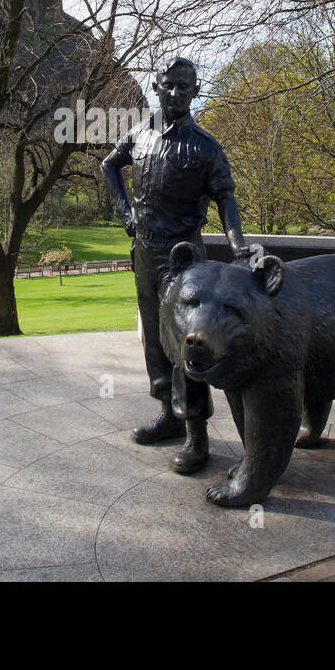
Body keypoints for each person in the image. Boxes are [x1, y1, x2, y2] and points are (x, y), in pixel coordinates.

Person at [101, 57, 252, 475]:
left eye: (185, 87)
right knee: (155, 340)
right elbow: (109, 165)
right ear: (156, 85)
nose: (176, 93)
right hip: (145, 255)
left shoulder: (206, 147)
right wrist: (124, 210)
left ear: (195, 91)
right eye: (170, 85)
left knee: (188, 343)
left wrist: (239, 245)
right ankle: (168, 414)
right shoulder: (138, 133)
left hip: (185, 262)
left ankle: (196, 436)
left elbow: (226, 200)